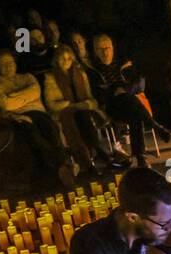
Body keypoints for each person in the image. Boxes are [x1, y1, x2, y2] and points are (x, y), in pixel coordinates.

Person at [0, 50, 73, 187]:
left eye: (10, 62)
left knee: (51, 128)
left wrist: (13, 96)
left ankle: (58, 168)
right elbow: (5, 104)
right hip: (17, 116)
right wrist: (24, 97)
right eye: (4, 64)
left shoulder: (27, 77)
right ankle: (61, 166)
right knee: (32, 133)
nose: (8, 66)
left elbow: (35, 91)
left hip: (37, 112)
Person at [88, 34, 171, 168]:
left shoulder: (123, 65)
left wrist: (124, 89)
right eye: (100, 49)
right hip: (112, 108)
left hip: (131, 103)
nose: (105, 52)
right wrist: (114, 91)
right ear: (95, 51)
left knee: (133, 111)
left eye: (107, 48)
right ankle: (155, 131)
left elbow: (140, 84)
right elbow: (97, 94)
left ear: (113, 48)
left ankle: (141, 157)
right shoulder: (93, 71)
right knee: (132, 105)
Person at [43, 44, 125, 173]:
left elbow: (89, 97)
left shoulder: (80, 74)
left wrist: (87, 104)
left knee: (83, 116)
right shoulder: (51, 78)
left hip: (83, 109)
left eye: (69, 58)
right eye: (62, 59)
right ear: (56, 60)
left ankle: (97, 154)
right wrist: (72, 105)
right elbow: (51, 104)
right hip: (64, 111)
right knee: (76, 117)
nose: (66, 62)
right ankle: (93, 157)